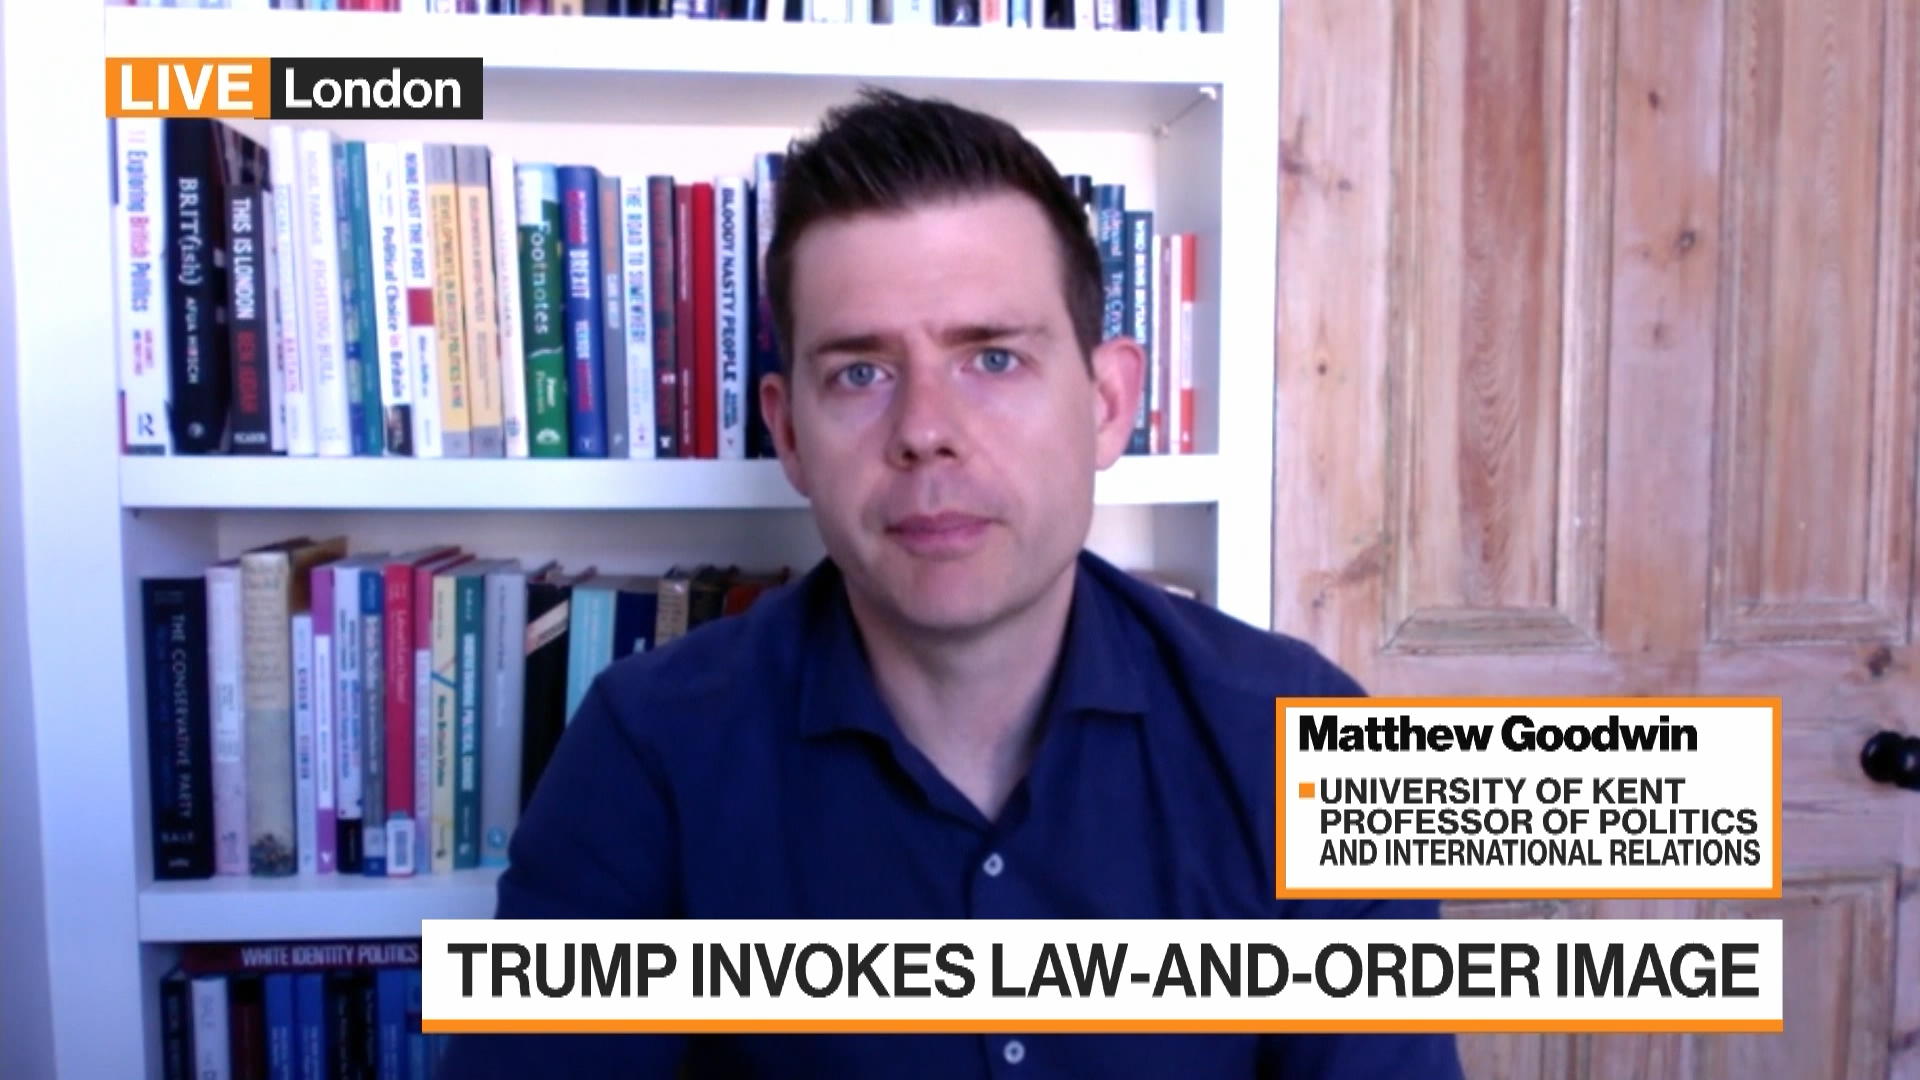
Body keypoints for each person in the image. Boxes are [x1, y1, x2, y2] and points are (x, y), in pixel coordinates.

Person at [441, 88, 1462, 1079]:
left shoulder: (1301, 736)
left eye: (994, 359)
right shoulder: (644, 753)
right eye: (861, 373)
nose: (925, 429)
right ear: (788, 434)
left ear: (1108, 404)